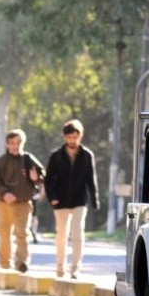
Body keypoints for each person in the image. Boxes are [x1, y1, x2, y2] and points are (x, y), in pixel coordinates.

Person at [45, 119, 99, 279]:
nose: (72, 141)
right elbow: (49, 180)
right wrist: (52, 197)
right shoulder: (56, 156)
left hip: (79, 201)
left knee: (77, 234)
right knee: (61, 235)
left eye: (75, 137)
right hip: (60, 201)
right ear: (64, 137)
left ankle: (75, 269)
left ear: (80, 136)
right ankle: (60, 267)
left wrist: (94, 200)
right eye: (69, 138)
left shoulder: (87, 155)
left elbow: (91, 179)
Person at [0, 129, 45, 272]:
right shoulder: (0, 162)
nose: (15, 145)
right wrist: (4, 193)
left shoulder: (28, 159)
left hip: (23, 203)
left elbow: (42, 174)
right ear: (7, 144)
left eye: (18, 142)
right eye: (12, 143)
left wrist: (36, 178)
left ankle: (21, 263)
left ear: (23, 143)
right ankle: (4, 263)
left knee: (22, 233)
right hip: (3, 203)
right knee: (4, 233)